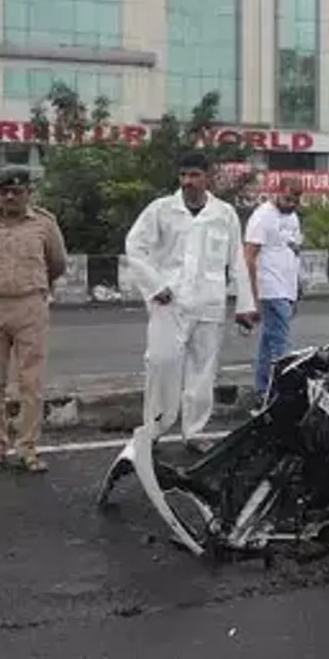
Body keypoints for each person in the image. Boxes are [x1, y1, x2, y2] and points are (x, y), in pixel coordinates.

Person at [124, 153, 257, 451]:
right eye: (183, 175)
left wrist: (245, 305)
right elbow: (135, 246)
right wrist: (155, 285)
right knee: (161, 363)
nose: (187, 182)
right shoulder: (161, 210)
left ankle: (194, 432)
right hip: (169, 303)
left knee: (202, 371)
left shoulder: (223, 214)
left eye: (194, 175)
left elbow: (236, 260)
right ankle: (154, 430)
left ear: (208, 177)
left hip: (209, 303)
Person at [0, 169, 68, 473]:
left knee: (31, 382)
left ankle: (28, 448)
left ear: (28, 193)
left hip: (29, 307)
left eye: (17, 191)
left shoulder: (44, 225)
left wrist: (34, 286)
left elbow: (57, 263)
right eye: (4, 191)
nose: (10, 196)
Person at [243, 176, 305, 400]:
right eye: (288, 198)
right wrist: (252, 297)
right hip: (269, 288)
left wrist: (297, 287)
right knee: (281, 343)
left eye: (296, 200)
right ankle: (283, 393)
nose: (291, 204)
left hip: (286, 288)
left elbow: (294, 252)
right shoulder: (262, 217)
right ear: (277, 192)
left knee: (268, 341)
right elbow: (248, 257)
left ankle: (262, 388)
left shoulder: (293, 218)